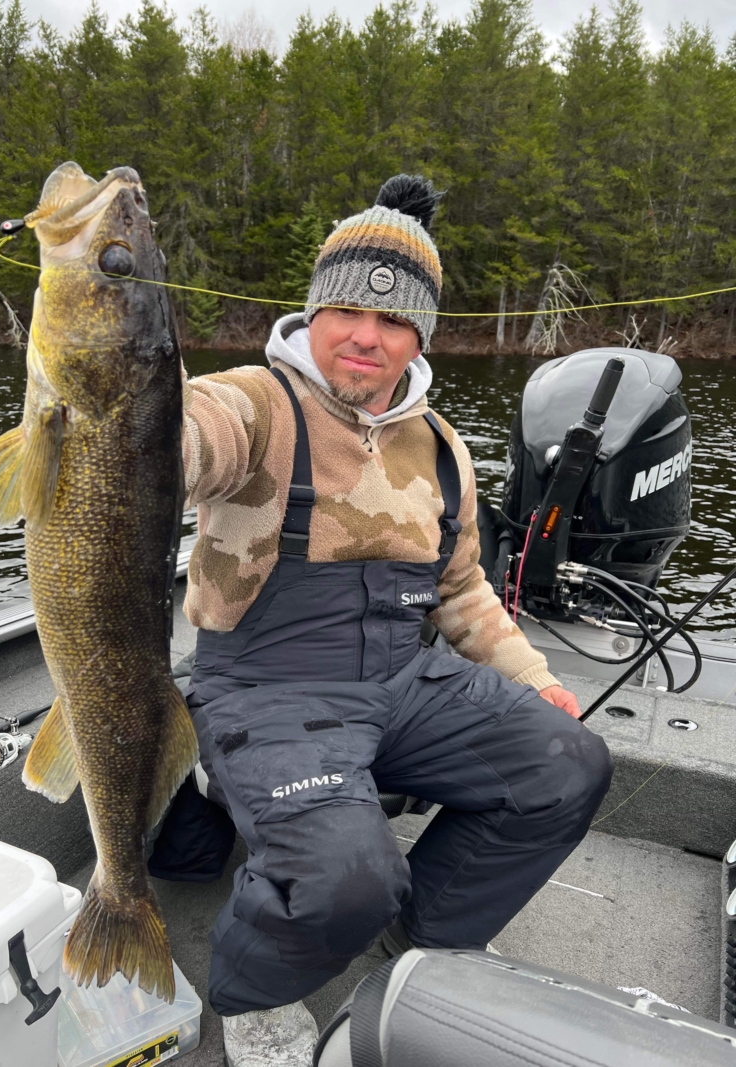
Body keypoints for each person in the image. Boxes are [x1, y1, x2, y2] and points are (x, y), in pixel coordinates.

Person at [170, 175, 613, 1066]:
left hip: (402, 678)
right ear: (314, 312)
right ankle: (253, 992)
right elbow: (179, 436)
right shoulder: (254, 402)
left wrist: (537, 681)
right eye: (345, 312)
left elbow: (463, 593)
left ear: (422, 333)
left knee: (568, 766)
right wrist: (120, 375)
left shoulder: (442, 446)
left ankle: (417, 938)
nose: (366, 337)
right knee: (345, 876)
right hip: (267, 684)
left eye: (393, 320)